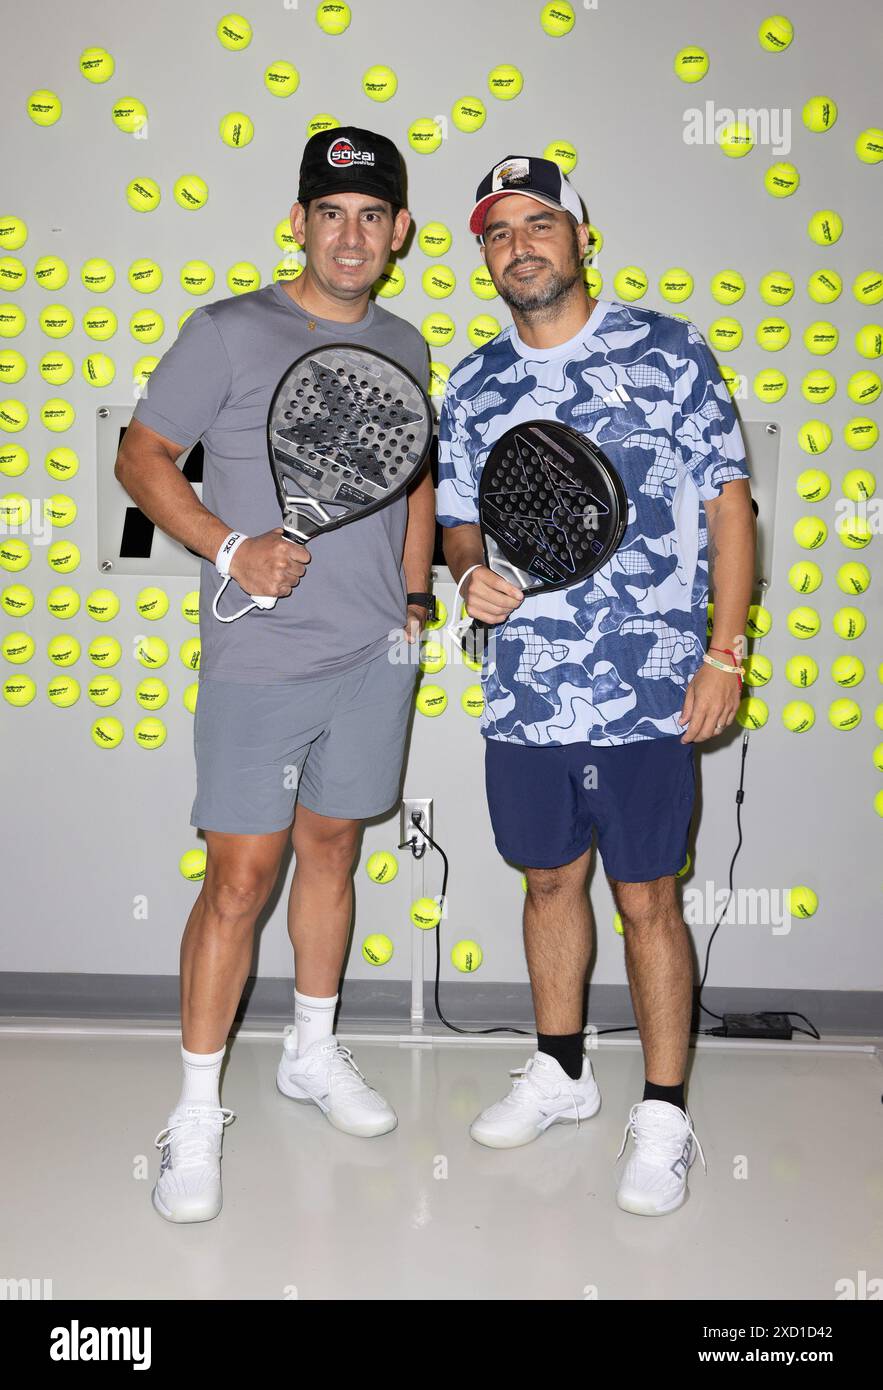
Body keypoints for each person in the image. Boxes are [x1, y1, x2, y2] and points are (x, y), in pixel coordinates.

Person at [115, 127, 436, 1223]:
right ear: (298, 222)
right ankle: (196, 1113)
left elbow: (415, 481)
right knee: (240, 878)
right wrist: (229, 547)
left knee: (333, 849)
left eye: (371, 215)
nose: (350, 235)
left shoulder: (406, 340)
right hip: (259, 652)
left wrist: (412, 601)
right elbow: (141, 454)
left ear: (398, 232)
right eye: (329, 212)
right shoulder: (226, 330)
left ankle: (311, 1048)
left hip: (373, 654)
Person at [438, 155, 756, 1216]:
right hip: (525, 689)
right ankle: (562, 1069)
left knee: (647, 897)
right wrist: (469, 571)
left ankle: (663, 1112)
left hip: (650, 690)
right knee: (545, 883)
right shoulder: (476, 380)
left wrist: (723, 654)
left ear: (580, 235)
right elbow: (457, 518)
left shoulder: (665, 352)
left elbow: (726, 508)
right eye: (497, 231)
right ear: (483, 254)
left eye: (538, 223)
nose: (519, 244)